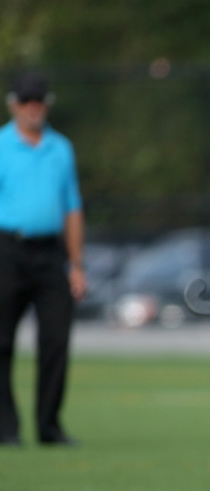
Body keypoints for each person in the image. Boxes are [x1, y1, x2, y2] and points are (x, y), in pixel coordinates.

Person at [0, 72, 87, 447]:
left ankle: (49, 426)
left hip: (50, 253)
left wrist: (77, 264)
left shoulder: (61, 148)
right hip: (7, 250)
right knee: (1, 342)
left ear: (46, 104)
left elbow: (72, 208)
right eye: (26, 102)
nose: (33, 109)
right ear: (13, 105)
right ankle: (6, 427)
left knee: (56, 339)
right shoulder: (1, 145)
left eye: (38, 102)